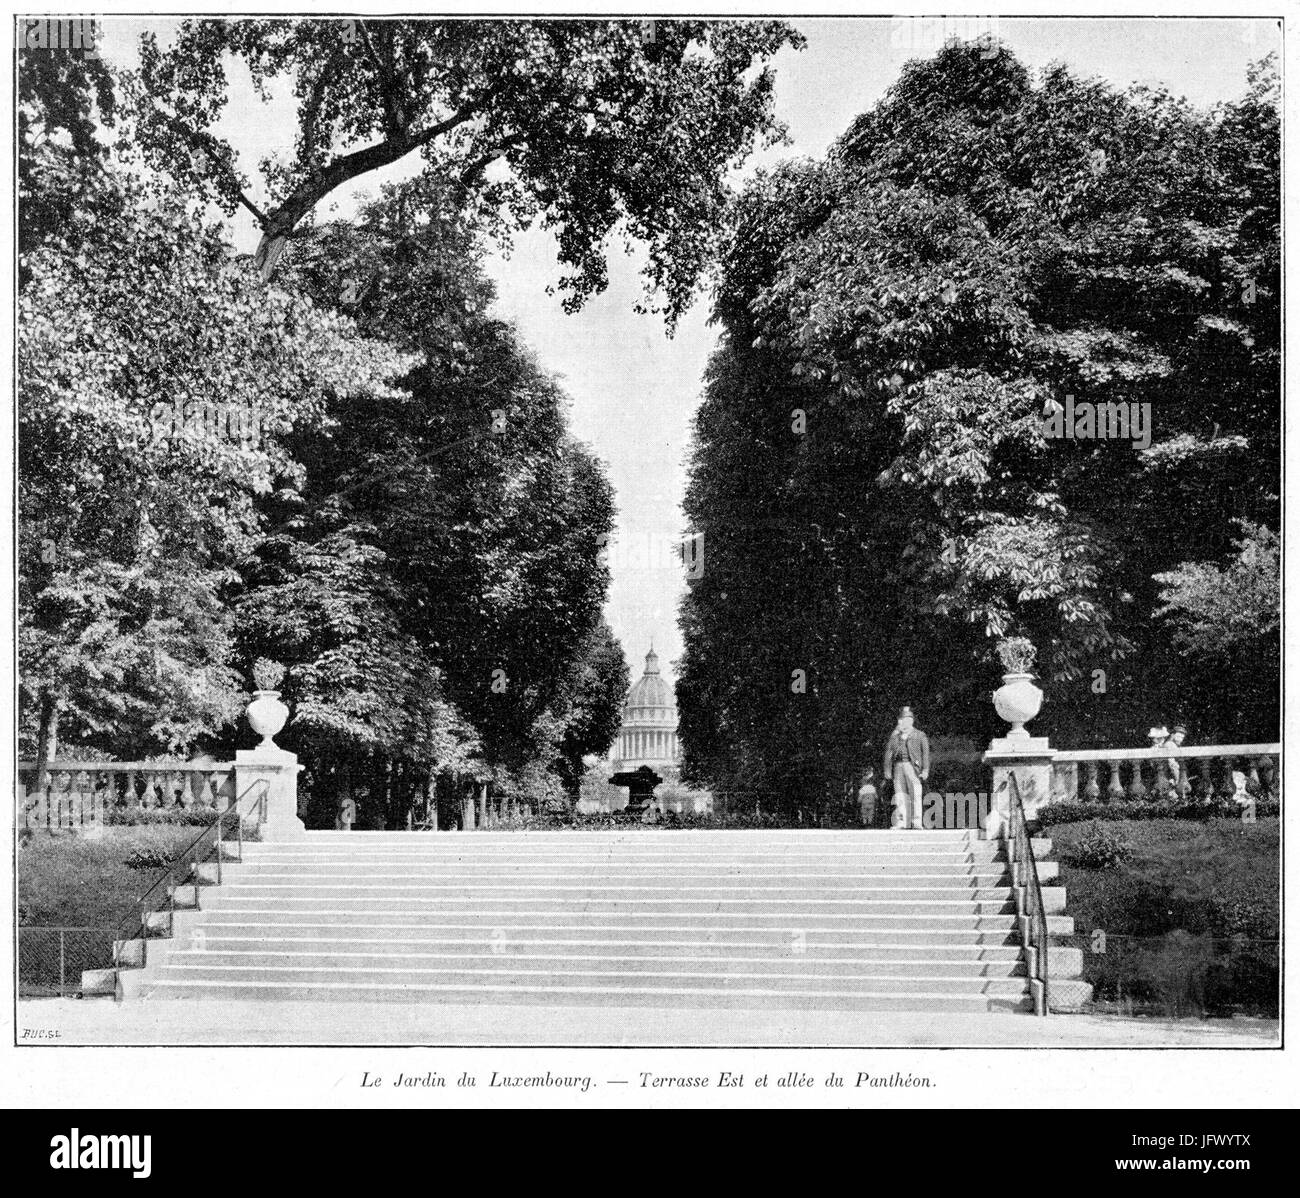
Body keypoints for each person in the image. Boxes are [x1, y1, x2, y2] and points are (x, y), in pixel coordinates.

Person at [884, 706, 930, 830]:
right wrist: (887, 769)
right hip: (898, 766)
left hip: (912, 766)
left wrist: (925, 770)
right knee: (899, 795)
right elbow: (889, 752)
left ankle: (917, 821)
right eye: (903, 719)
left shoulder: (920, 735)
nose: (905, 721)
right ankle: (901, 822)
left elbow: (925, 754)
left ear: (912, 720)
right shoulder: (895, 736)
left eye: (908, 719)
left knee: (916, 793)